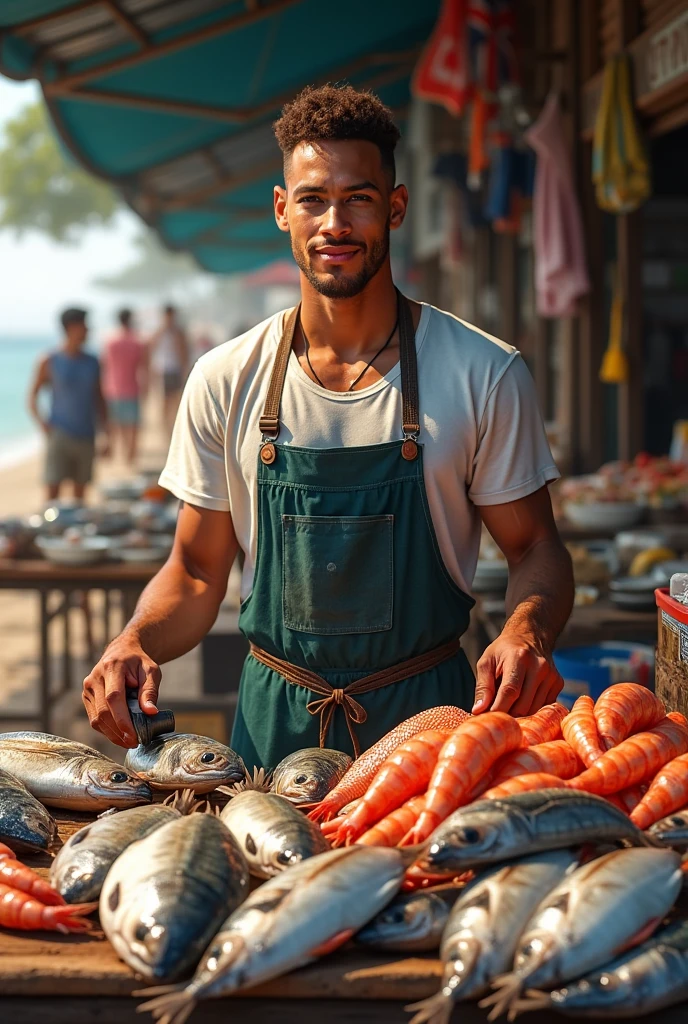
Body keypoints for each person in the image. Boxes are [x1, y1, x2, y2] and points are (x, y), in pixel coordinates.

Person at [83, 85, 573, 767]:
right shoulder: (225, 377)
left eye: (359, 198)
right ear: (283, 210)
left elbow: (536, 550)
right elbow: (197, 571)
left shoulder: (482, 373)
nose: (334, 223)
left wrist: (528, 629)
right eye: (313, 198)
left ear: (395, 208)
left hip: (430, 735)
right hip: (271, 727)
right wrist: (133, 639)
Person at [29, 306, 109, 502]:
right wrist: (43, 424)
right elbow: (33, 395)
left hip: (86, 435)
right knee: (52, 493)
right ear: (72, 327)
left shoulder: (92, 361)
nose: (88, 330)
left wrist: (106, 434)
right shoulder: (49, 360)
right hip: (60, 434)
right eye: (84, 325)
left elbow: (100, 399)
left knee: (80, 496)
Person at [101, 308, 148, 466]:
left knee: (118, 424)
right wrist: (146, 389)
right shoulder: (137, 341)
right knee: (133, 425)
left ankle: (124, 455)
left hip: (112, 388)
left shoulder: (110, 341)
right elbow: (143, 366)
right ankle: (131, 456)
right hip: (132, 387)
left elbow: (104, 365)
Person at [148, 304, 189, 438]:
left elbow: (184, 351)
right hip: (163, 369)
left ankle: (174, 427)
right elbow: (150, 348)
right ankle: (166, 429)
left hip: (175, 369)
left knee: (176, 400)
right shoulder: (159, 332)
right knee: (165, 401)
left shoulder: (178, 332)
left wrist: (184, 369)